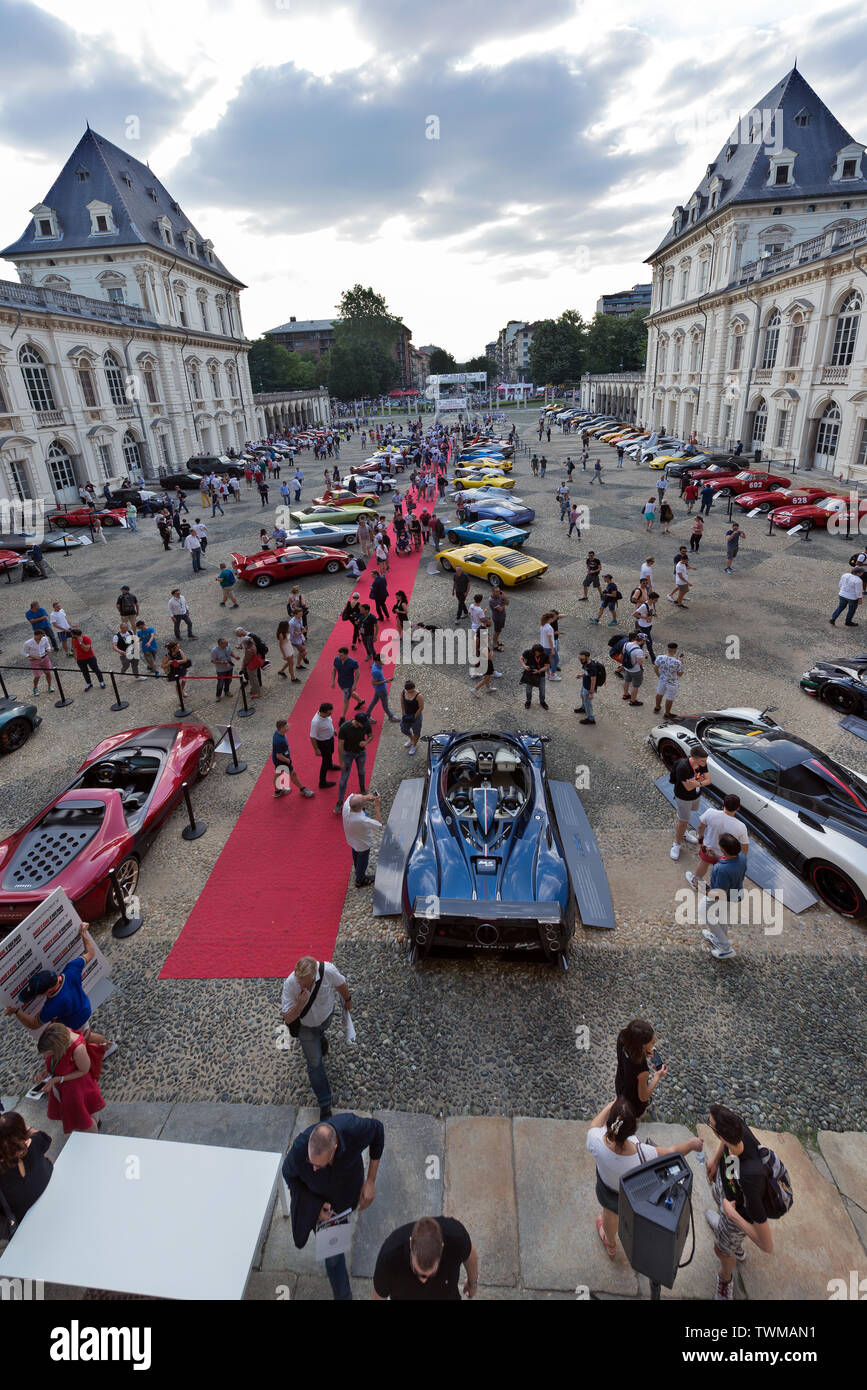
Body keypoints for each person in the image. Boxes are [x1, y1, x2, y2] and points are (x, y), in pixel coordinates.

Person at [282, 1114, 384, 1301]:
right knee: (334, 1256)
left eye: (318, 1166)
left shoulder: (352, 1129)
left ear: (334, 1149)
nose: (313, 1169)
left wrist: (371, 1180)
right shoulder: (299, 1151)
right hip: (325, 1212)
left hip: (349, 1195)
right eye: (311, 1163)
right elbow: (289, 1176)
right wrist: (315, 1206)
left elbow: (378, 1131)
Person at [587, 1097, 702, 1260]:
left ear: (611, 1122)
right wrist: (691, 1144)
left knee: (608, 1214)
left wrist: (610, 1105)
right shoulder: (644, 1153)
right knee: (625, 1214)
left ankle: (611, 1244)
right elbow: (673, 1152)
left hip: (607, 1188)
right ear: (633, 1128)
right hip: (629, 1193)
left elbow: (594, 1125)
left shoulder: (595, 1141)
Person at [704, 1103, 774, 1301]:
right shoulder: (738, 1127)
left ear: (721, 1134)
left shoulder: (751, 1177)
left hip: (738, 1213)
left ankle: (725, 1280)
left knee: (721, 1250)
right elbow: (726, 1143)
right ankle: (734, 1243)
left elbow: (766, 1244)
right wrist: (716, 1160)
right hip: (731, 1190)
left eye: (710, 1125)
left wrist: (732, 1214)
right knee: (720, 1200)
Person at [5, 924, 110, 1049]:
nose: (36, 996)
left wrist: (16, 1011)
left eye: (36, 994)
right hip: (84, 1004)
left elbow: (34, 1024)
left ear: (48, 990)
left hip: (77, 1019)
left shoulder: (53, 1005)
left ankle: (108, 1046)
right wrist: (83, 933)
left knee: (87, 1037)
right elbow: (90, 952)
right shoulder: (71, 969)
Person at [281, 956, 353, 1118]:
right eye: (299, 980)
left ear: (314, 976)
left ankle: (320, 1038)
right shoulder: (290, 983)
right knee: (315, 1063)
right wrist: (299, 1004)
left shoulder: (328, 971)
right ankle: (325, 1103)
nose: (301, 984)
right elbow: (287, 1018)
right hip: (305, 1027)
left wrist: (348, 999)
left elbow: (341, 984)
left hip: (325, 1018)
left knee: (320, 1033)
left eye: (304, 982)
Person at [373, 1216, 479, 1300]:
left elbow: (470, 1255)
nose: (423, 1280)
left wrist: (472, 1283)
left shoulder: (456, 1237)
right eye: (417, 1272)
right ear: (411, 1244)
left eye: (431, 1274)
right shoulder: (390, 1257)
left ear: (442, 1248)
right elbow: (378, 1295)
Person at [33, 1023, 105, 1135]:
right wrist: (46, 1071)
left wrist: (59, 1079)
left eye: (48, 1053)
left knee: (84, 1119)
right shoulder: (58, 1034)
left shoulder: (78, 1048)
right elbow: (57, 1062)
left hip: (78, 1088)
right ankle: (96, 1123)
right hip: (68, 1087)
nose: (46, 1057)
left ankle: (94, 1138)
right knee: (88, 1109)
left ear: (57, 1048)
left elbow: (84, 1070)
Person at [685, 793, 749, 892]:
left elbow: (700, 826)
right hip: (726, 855)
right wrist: (739, 861)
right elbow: (744, 847)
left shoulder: (711, 813)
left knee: (703, 864)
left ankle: (697, 884)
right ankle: (714, 891)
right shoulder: (741, 826)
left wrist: (701, 836)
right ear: (738, 808)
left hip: (708, 848)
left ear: (723, 803)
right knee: (720, 874)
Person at [0, 1112, 54, 1228]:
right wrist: (28, 1130)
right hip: (50, 1195)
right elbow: (46, 1138)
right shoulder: (35, 1144)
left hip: (25, 1223)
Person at [699, 833, 747, 960]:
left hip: (723, 896)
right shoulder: (741, 857)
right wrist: (716, 857)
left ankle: (725, 948)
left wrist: (703, 889)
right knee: (722, 917)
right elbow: (731, 863)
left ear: (723, 849)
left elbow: (720, 893)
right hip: (736, 893)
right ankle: (719, 939)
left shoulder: (721, 869)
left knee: (704, 911)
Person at [614, 1018, 667, 1119]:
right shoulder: (642, 1070)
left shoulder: (623, 1035)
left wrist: (644, 1053)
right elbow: (643, 1097)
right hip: (633, 1103)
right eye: (651, 1042)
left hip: (621, 1083)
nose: (654, 1042)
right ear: (641, 1046)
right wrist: (657, 1077)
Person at [669, 744, 711, 861]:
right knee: (683, 821)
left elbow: (709, 780)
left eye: (705, 760)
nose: (705, 763)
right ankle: (676, 844)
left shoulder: (702, 763)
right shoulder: (683, 767)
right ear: (694, 758)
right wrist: (701, 780)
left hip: (695, 796)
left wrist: (697, 782)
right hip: (683, 797)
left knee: (685, 818)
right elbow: (688, 788)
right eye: (703, 760)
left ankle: (683, 833)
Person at [333, 712, 373, 813]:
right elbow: (340, 745)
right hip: (348, 754)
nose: (364, 725)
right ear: (357, 722)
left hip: (361, 752)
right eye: (362, 724)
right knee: (344, 778)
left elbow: (371, 736)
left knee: (362, 772)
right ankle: (340, 801)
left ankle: (362, 788)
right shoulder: (344, 727)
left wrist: (366, 742)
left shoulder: (365, 725)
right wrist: (341, 761)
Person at [343, 791, 382, 888]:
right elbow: (378, 824)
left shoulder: (346, 807)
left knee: (355, 854)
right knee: (363, 860)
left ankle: (357, 870)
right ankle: (360, 880)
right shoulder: (362, 819)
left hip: (351, 838)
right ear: (362, 806)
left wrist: (366, 797)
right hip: (363, 843)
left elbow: (351, 796)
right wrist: (377, 806)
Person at [271, 718, 314, 798]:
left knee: (278, 774)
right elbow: (279, 756)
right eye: (286, 726)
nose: (289, 726)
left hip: (279, 760)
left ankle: (278, 791)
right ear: (282, 728)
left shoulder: (278, 733)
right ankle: (302, 789)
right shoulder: (279, 741)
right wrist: (288, 760)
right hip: (281, 760)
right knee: (292, 774)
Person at [332, 647, 365, 719]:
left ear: (346, 654)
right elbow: (334, 670)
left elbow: (357, 673)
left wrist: (354, 684)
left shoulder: (353, 662)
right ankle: (361, 701)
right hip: (341, 682)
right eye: (339, 655)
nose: (339, 657)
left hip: (349, 684)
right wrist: (333, 681)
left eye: (341, 655)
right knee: (351, 693)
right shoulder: (336, 659)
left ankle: (342, 716)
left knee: (346, 700)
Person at [310, 703, 337, 788]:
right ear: (323, 712)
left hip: (330, 738)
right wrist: (316, 749)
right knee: (325, 761)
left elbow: (329, 722)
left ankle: (330, 765)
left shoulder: (326, 716)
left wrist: (333, 731)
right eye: (329, 713)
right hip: (323, 743)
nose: (330, 715)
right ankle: (322, 782)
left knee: (331, 752)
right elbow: (312, 737)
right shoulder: (316, 722)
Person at [653, 641, 683, 716]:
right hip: (672, 682)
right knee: (670, 698)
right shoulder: (677, 662)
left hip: (662, 679)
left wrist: (659, 676)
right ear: (675, 650)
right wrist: (681, 661)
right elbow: (680, 674)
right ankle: (667, 713)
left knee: (659, 693)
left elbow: (655, 668)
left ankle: (657, 707)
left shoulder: (660, 657)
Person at [366, 654, 398, 722]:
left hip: (378, 689)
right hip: (381, 690)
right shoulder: (376, 671)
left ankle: (367, 715)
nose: (385, 661)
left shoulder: (376, 664)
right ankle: (391, 716)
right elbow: (373, 683)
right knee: (385, 705)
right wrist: (385, 681)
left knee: (374, 701)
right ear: (377, 661)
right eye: (382, 660)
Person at [574, 649, 603, 724]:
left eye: (582, 659)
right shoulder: (585, 663)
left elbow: (593, 680)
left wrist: (591, 692)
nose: (581, 660)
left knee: (588, 703)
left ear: (587, 657)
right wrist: (581, 675)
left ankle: (591, 719)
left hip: (588, 688)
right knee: (582, 696)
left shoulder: (592, 666)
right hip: (584, 684)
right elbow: (587, 672)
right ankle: (583, 708)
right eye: (580, 658)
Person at [23, 631, 54, 696]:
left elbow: (48, 646)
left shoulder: (44, 638)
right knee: (37, 675)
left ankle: (50, 686)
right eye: (40, 636)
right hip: (34, 660)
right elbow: (24, 653)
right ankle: (35, 688)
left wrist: (48, 649)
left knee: (48, 672)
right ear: (35, 635)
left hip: (45, 658)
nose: (41, 637)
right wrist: (33, 656)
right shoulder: (28, 643)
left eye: (42, 636)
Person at [520, 643, 550, 710]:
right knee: (528, 690)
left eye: (539, 652)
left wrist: (539, 671)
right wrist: (524, 666)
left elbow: (547, 666)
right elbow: (521, 658)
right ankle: (528, 701)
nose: (537, 654)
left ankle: (542, 702)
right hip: (530, 674)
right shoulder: (528, 652)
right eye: (536, 652)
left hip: (540, 675)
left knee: (542, 690)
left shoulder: (545, 655)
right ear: (533, 651)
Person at [619, 632, 646, 707]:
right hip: (635, 670)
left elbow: (623, 653)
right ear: (642, 641)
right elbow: (640, 663)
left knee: (627, 681)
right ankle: (633, 701)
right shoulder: (639, 650)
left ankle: (625, 695)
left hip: (627, 667)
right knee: (635, 685)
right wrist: (644, 657)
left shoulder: (626, 644)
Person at [400, 680, 424, 754]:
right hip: (406, 714)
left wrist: (414, 717)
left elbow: (421, 707)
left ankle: (414, 745)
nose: (411, 692)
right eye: (409, 691)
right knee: (403, 729)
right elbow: (402, 703)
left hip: (416, 716)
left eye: (412, 691)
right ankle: (411, 739)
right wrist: (404, 714)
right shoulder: (403, 692)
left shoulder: (419, 695)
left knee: (416, 731)